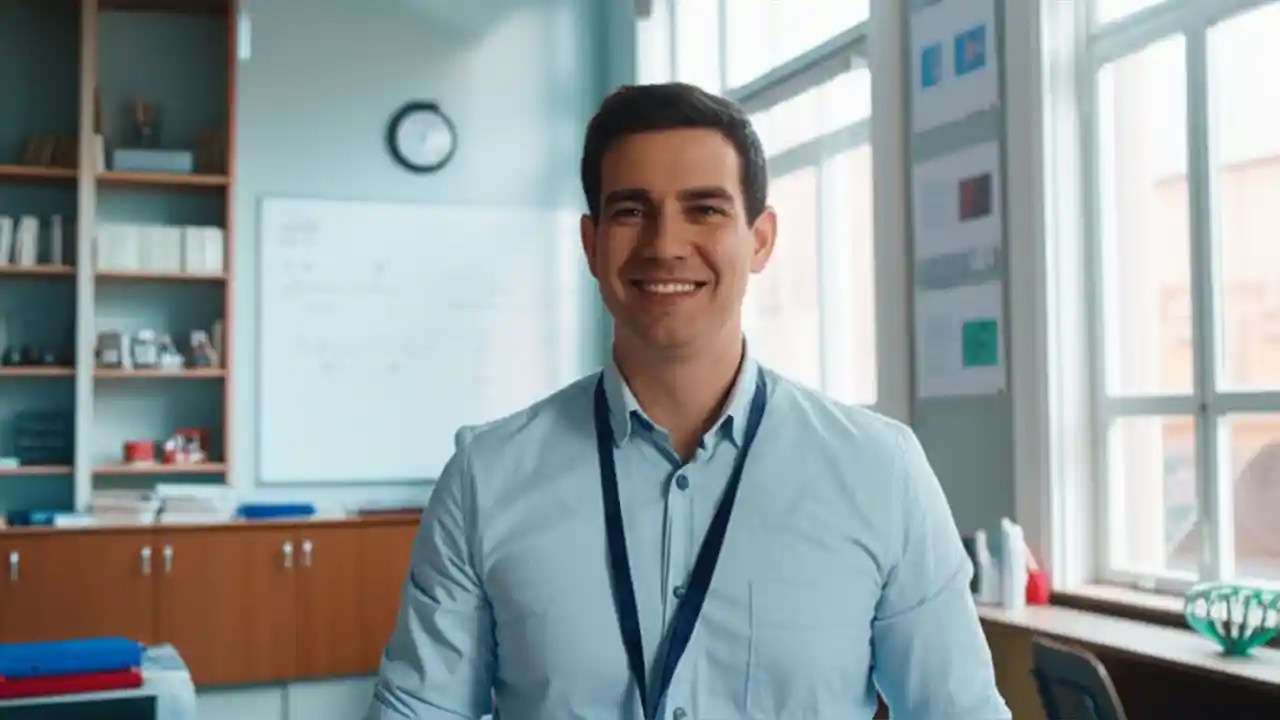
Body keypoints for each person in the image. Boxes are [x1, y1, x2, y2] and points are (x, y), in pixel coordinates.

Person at [367, 82, 1010, 720]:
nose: (665, 244)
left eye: (704, 209)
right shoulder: (487, 477)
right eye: (631, 211)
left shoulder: (880, 470)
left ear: (760, 240)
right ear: (591, 244)